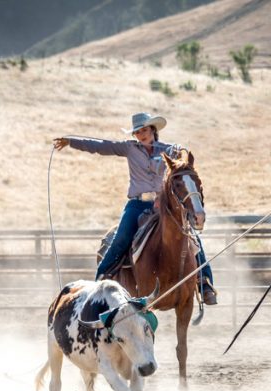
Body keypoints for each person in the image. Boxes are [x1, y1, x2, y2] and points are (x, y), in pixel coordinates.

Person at [53, 112, 217, 305]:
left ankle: (204, 284)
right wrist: (72, 141)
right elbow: (101, 146)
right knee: (121, 238)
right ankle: (100, 281)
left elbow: (183, 160)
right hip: (137, 204)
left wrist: (180, 150)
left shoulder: (168, 150)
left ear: (152, 130)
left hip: (163, 205)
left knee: (191, 237)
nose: (141, 135)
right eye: (137, 132)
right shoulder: (129, 148)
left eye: (144, 130)